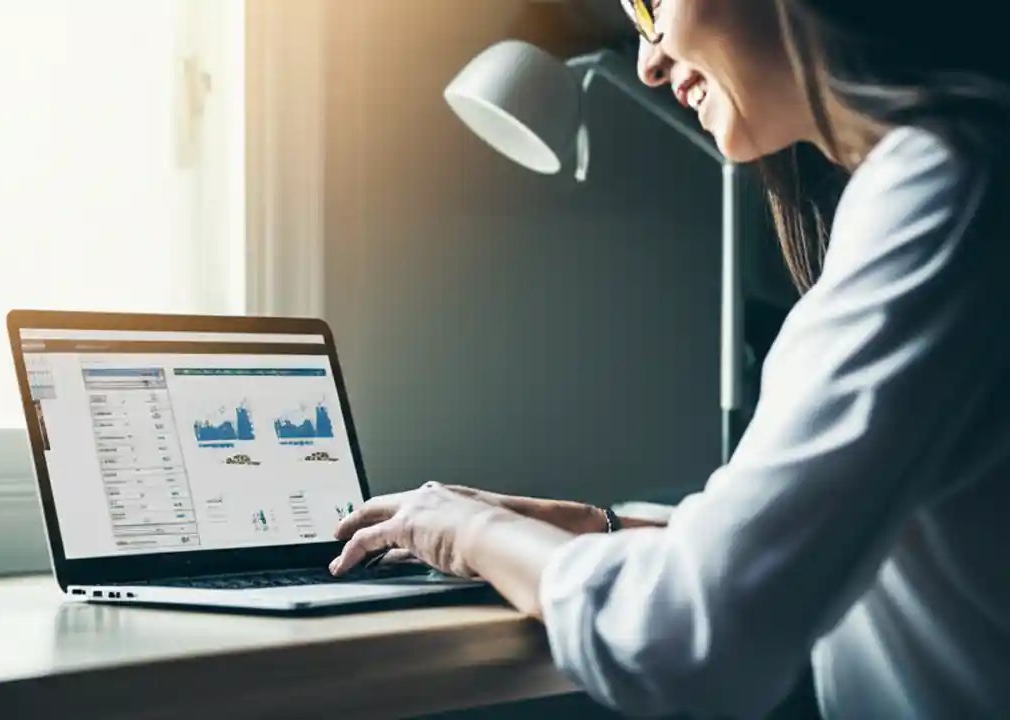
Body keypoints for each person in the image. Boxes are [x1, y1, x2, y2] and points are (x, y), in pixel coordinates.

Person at [328, 0, 1010, 717]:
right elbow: (818, 551)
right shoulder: (960, 173)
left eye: (651, 5)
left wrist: (469, 532)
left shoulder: (950, 188)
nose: (648, 60)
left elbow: (687, 638)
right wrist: (597, 527)